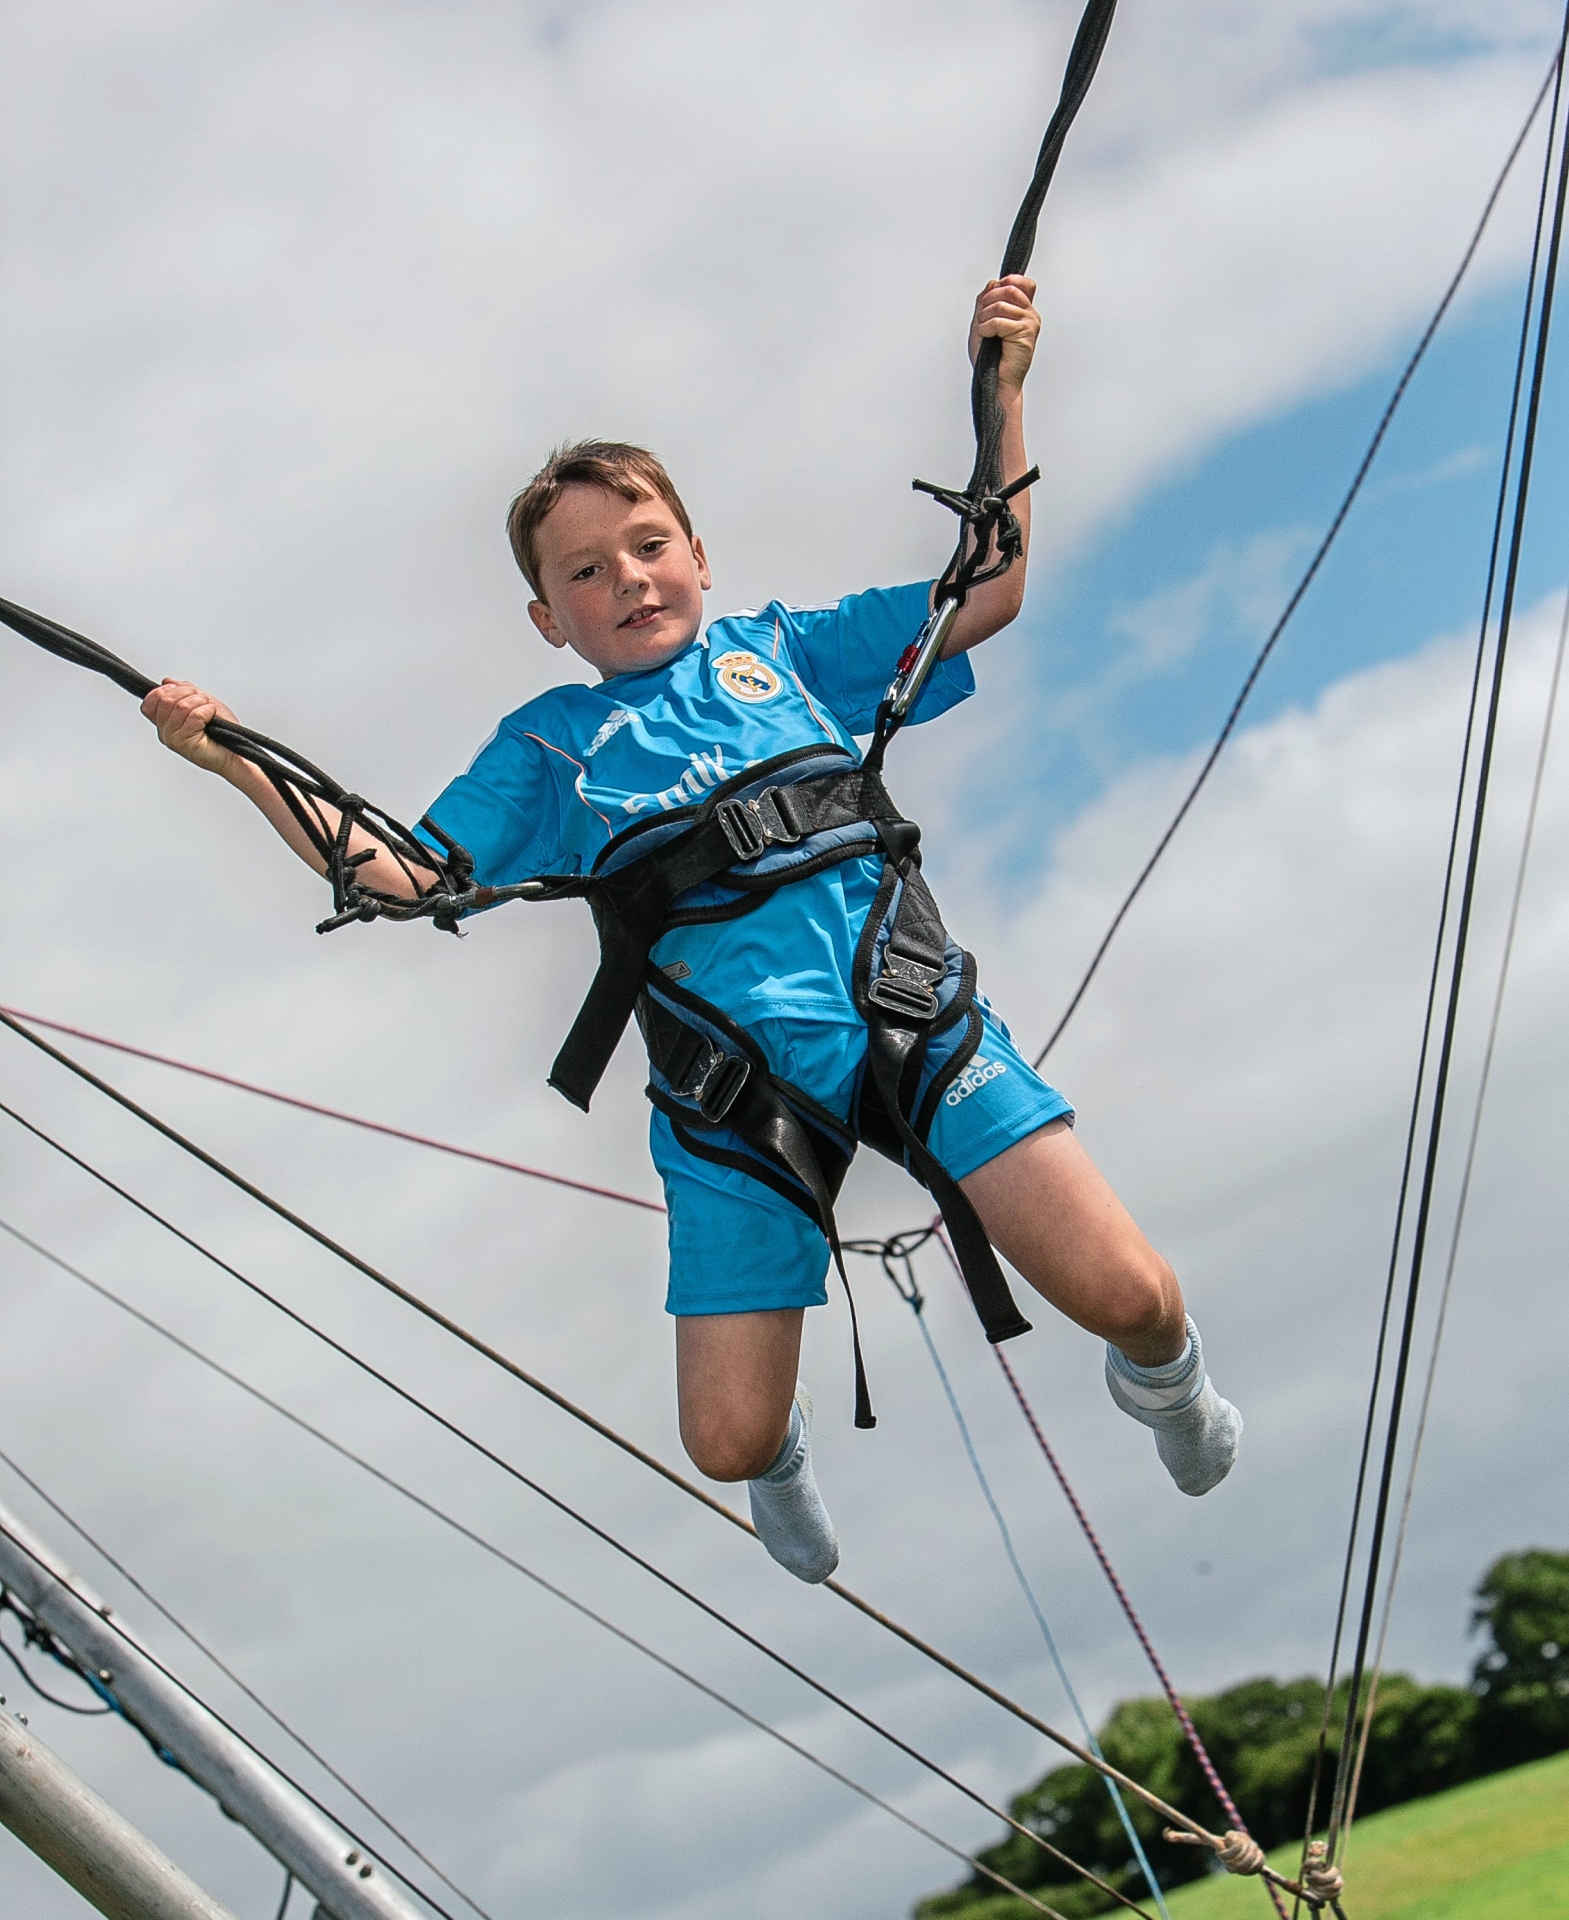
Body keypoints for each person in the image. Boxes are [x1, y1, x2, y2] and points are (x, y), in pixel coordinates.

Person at [141, 274, 1241, 1584]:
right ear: (550, 620)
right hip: (730, 1094)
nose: (629, 578)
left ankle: (1166, 1387)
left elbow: (985, 585)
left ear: (699, 557)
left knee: (1133, 1295)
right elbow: (400, 872)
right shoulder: (547, 749)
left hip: (908, 1016)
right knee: (721, 1442)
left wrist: (999, 395)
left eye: (650, 545)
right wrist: (234, 762)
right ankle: (778, 1461)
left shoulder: (786, 653)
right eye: (587, 572)